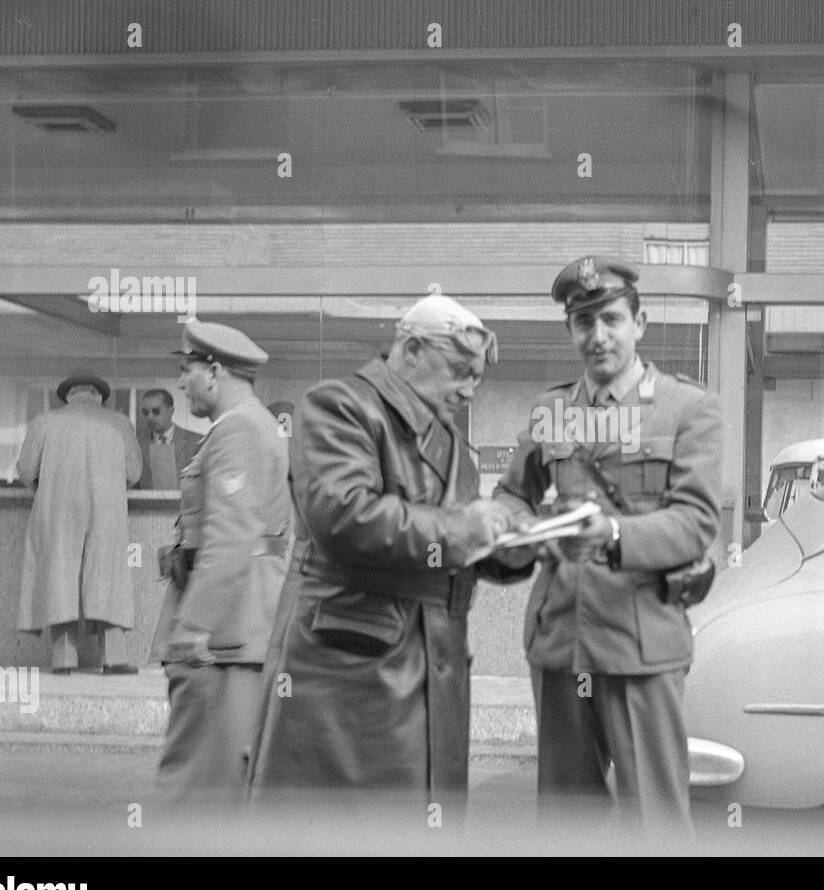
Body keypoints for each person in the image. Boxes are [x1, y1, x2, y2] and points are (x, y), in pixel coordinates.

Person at [248, 294, 526, 812]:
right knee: (334, 830)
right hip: (349, 664)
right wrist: (462, 528)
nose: (469, 389)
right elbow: (342, 515)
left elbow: (454, 543)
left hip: (423, 662)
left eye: (477, 378)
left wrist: (521, 542)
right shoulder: (340, 405)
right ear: (412, 349)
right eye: (460, 371)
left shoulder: (448, 441)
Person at [492, 256, 723, 833]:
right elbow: (512, 495)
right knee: (569, 826)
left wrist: (614, 533)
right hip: (562, 639)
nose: (598, 336)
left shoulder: (687, 408)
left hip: (641, 641)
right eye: (584, 323)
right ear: (571, 330)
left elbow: (695, 522)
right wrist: (524, 531)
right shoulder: (553, 411)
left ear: (639, 325)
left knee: (656, 822)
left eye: (612, 320)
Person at [151, 322, 291, 803]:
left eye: (185, 369)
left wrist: (193, 627)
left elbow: (230, 540)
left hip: (222, 636)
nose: (181, 381)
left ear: (213, 371)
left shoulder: (239, 432)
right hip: (232, 632)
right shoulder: (245, 427)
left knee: (197, 788)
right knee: (215, 783)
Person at [16, 371, 142, 674]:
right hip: (106, 506)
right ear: (99, 395)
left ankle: (63, 659)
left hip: (57, 507)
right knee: (107, 576)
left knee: (59, 575)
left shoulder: (44, 422)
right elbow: (135, 473)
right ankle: (114, 658)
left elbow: (25, 469)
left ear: (68, 394)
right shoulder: (119, 423)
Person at [136, 388, 202, 490]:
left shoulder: (196, 443)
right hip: (146, 505)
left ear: (171, 411)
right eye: (146, 412)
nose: (150, 417)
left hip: (184, 504)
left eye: (156, 411)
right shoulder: (136, 443)